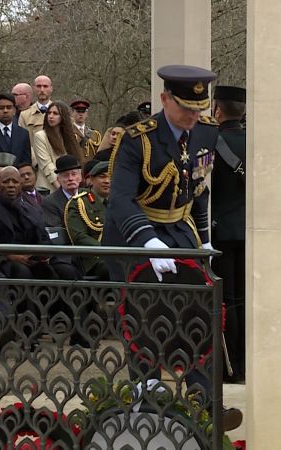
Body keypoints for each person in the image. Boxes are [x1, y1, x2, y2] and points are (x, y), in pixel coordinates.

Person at [102, 65, 242, 431]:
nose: (193, 116)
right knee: (144, 314)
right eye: (185, 108)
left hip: (179, 229)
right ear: (165, 100)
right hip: (133, 234)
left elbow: (199, 187)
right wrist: (148, 242)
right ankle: (146, 396)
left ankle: (203, 398)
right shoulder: (137, 139)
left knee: (197, 311)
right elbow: (120, 200)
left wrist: (204, 239)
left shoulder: (207, 131)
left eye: (198, 109)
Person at [210, 85, 247, 384]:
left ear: (217, 110)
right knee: (247, 298)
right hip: (252, 232)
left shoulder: (211, 143)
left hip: (220, 230)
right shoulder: (257, 143)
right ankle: (249, 361)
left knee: (229, 300)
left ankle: (231, 366)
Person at [0, 166, 79, 280]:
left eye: (15, 182)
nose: (11, 185)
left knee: (67, 271)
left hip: (34, 257)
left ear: (20, 185)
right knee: (22, 271)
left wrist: (42, 254)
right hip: (5, 261)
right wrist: (10, 256)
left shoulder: (31, 209)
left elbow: (44, 238)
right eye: (6, 182)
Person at [65, 160, 110, 279]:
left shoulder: (117, 203)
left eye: (111, 177)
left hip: (118, 255)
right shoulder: (79, 203)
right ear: (91, 180)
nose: (107, 181)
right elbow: (79, 236)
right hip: (94, 259)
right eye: (102, 177)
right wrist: (108, 250)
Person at [33, 102, 83, 193]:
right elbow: (47, 166)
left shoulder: (70, 137)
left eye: (55, 113)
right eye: (49, 113)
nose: (51, 116)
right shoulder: (40, 136)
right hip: (49, 187)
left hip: (69, 185)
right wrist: (61, 189)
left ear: (63, 117)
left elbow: (76, 162)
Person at [41, 155, 83, 229]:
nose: (70, 178)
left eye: (74, 174)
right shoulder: (50, 202)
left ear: (80, 177)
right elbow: (57, 230)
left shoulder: (88, 195)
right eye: (66, 175)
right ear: (58, 179)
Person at [19, 75, 55, 151]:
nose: (42, 90)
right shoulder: (24, 115)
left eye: (45, 86)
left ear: (51, 88)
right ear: (34, 88)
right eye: (39, 86)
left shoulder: (61, 112)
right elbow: (21, 142)